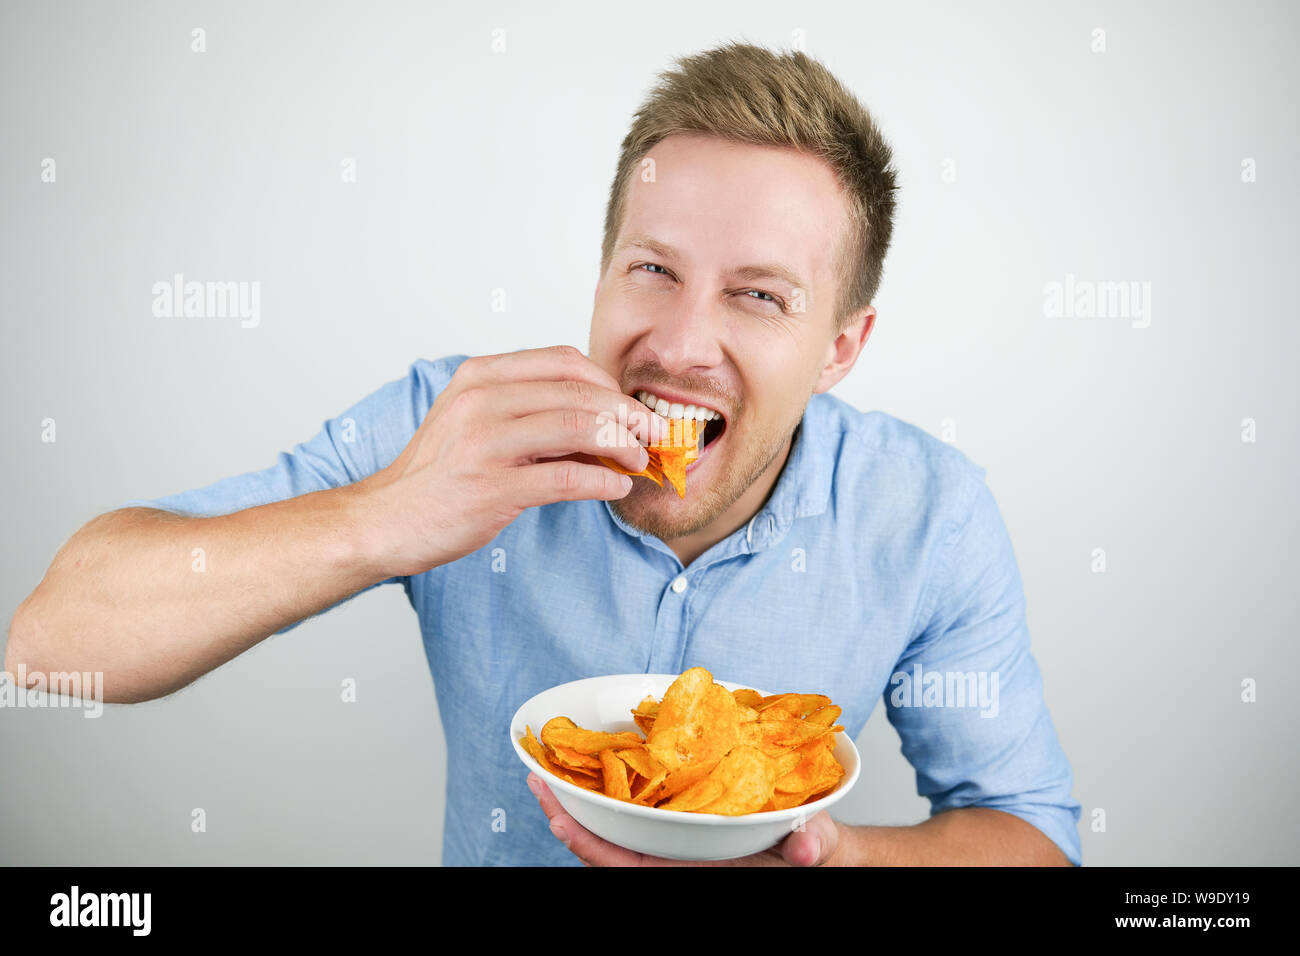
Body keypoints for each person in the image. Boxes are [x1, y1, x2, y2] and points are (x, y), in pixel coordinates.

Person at [6, 41, 1081, 866]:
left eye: (757, 295)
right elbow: (50, 645)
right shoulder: (453, 424)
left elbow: (1031, 836)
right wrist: (385, 515)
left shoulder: (926, 513)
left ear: (840, 345)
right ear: (603, 267)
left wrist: (831, 860)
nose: (676, 342)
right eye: (652, 269)